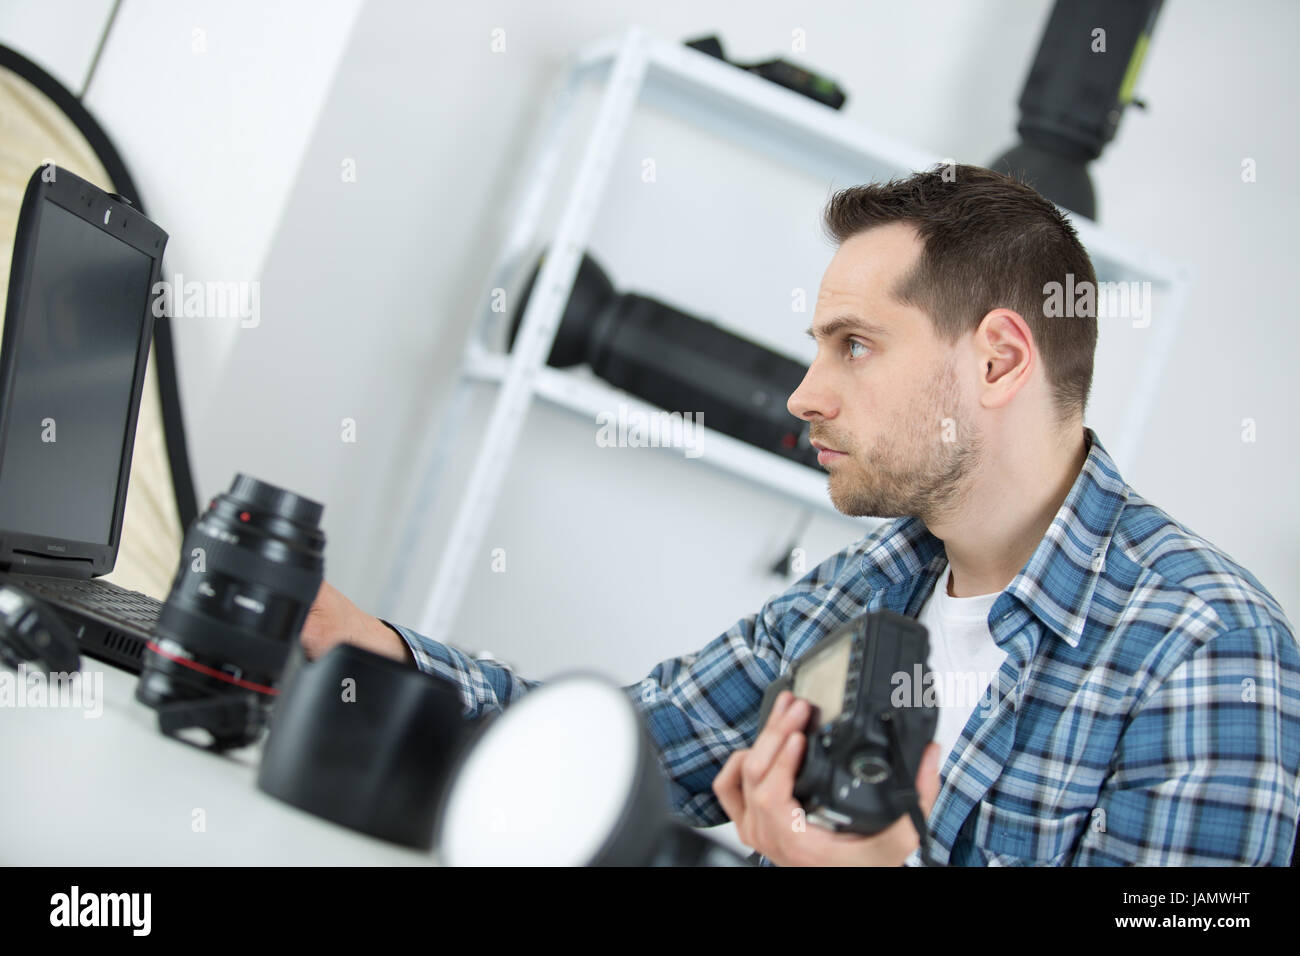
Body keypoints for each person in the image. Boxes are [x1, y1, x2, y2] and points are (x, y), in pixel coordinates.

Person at [301, 164, 1299, 866]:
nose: (803, 393)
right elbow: (635, 746)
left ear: (997, 359)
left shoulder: (1210, 651)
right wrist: (376, 651)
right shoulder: (877, 580)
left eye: (854, 345)